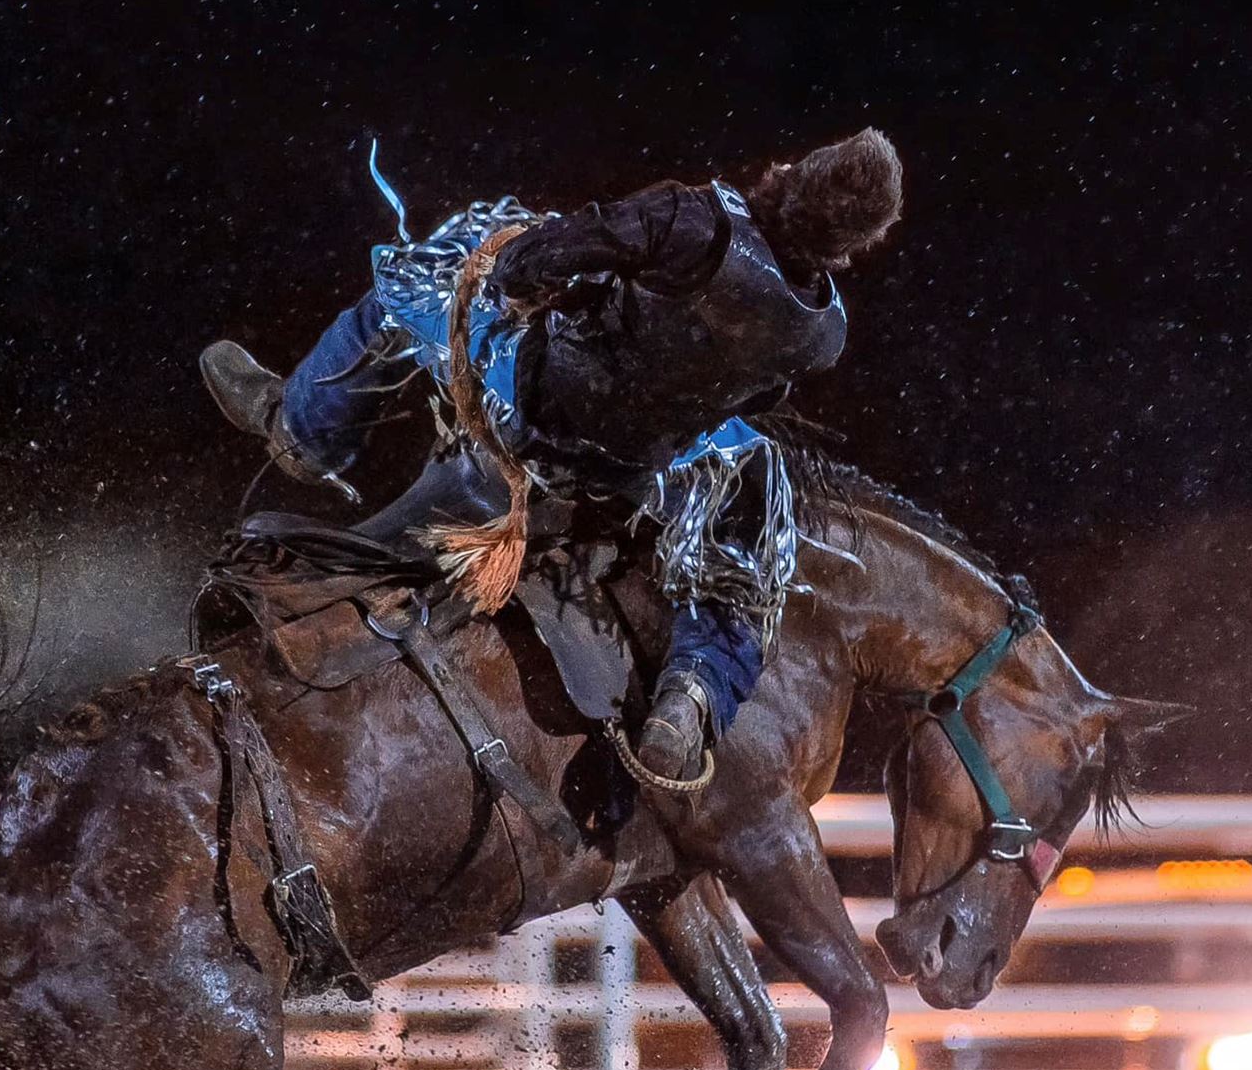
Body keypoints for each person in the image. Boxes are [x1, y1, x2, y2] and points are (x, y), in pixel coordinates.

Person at [201, 130, 902, 783]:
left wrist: (525, 283)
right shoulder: (825, 334)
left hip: (533, 404)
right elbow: (751, 400)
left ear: (793, 174)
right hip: (636, 470)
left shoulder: (690, 218)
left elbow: (537, 257)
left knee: (426, 271)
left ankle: (303, 427)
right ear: (853, 246)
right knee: (753, 505)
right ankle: (692, 692)